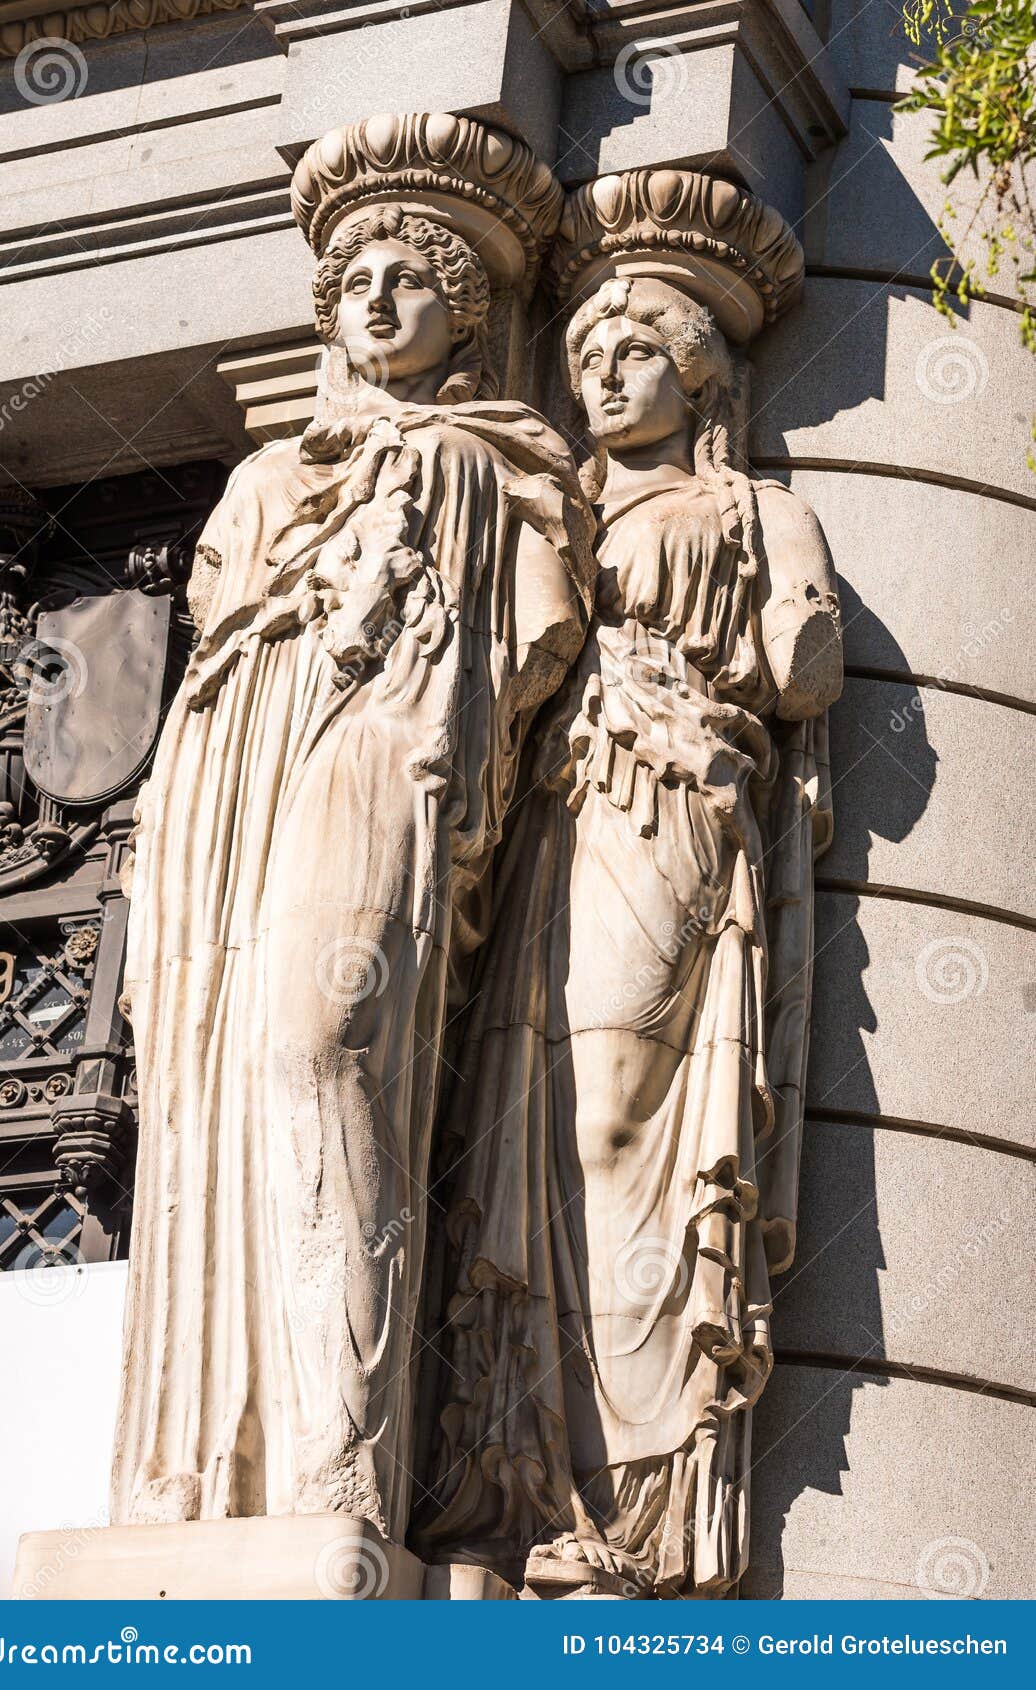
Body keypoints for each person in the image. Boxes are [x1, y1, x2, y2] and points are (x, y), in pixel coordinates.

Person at [111, 204, 593, 1544]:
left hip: (393, 746)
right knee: (214, 1093)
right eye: (355, 285)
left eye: (408, 281)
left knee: (323, 1050)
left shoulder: (494, 457)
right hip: (239, 768)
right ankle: (229, 1463)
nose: (377, 301)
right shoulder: (267, 476)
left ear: (466, 313)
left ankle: (351, 1464)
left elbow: (538, 640)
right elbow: (218, 631)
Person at [421, 276, 842, 1597]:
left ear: (699, 375)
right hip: (556, 806)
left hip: (673, 800)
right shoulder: (564, 496)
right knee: (523, 1120)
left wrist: (797, 626)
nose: (605, 375)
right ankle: (529, 1472)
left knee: (615, 1117)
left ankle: (643, 1490)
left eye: (636, 353)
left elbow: (799, 673)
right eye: (589, 354)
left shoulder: (760, 510)